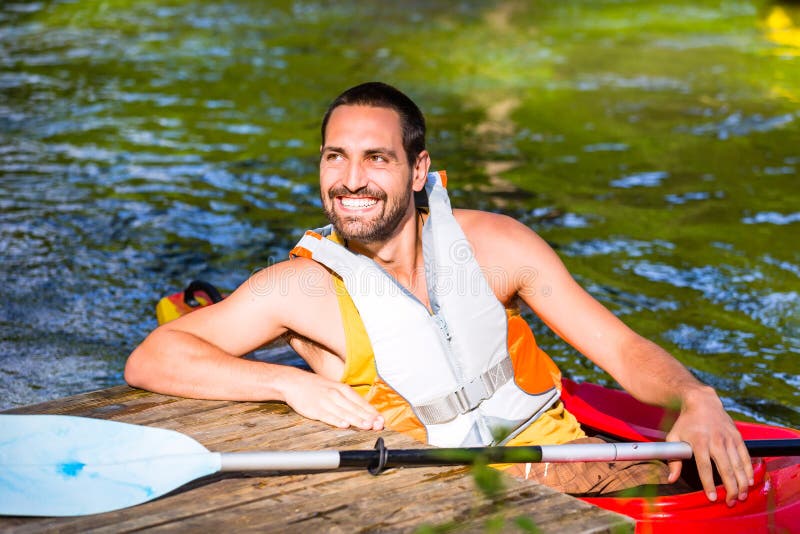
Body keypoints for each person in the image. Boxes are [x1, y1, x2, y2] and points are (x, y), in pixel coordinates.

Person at [125, 81, 752, 504]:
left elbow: (619, 348)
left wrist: (697, 398)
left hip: (561, 459)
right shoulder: (298, 288)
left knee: (699, 476)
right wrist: (287, 382)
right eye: (334, 158)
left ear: (418, 171)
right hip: (444, 491)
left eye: (376, 158)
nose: (350, 181)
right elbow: (154, 357)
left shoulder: (497, 245)